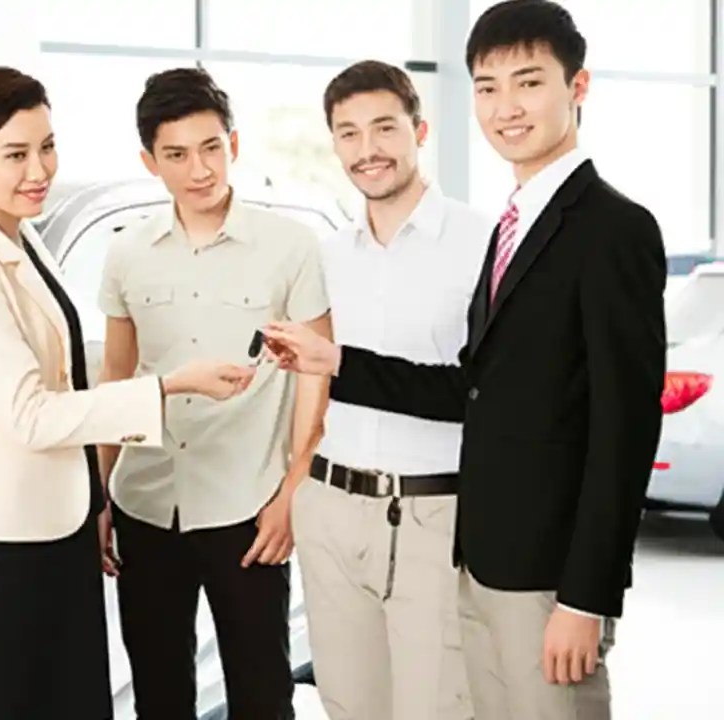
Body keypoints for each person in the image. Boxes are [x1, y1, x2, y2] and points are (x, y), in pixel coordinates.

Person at [262, 3, 666, 719]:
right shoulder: (519, 224)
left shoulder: (612, 228)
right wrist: (337, 362)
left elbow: (625, 431)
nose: (506, 107)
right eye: (487, 86)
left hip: (546, 574)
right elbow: (477, 390)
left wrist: (586, 597)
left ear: (578, 86)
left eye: (528, 82)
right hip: (483, 558)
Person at [0, 66, 256, 720]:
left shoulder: (18, 235)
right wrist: (170, 387)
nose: (38, 169)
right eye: (15, 154)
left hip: (49, 531)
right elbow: (30, 415)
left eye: (47, 146)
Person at [96, 67, 330, 719]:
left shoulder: (291, 246)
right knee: (159, 693)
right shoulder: (127, 252)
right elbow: (117, 378)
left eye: (210, 148)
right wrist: (100, 495)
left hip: (248, 507)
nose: (198, 170)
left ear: (234, 144)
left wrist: (292, 496)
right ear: (150, 161)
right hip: (146, 502)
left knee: (261, 693)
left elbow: (317, 376)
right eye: (176, 155)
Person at [293, 59, 486, 720]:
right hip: (332, 508)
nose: (367, 149)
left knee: (439, 708)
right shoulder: (328, 254)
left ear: (419, 130)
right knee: (349, 706)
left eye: (383, 128)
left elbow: (483, 391)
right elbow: (310, 394)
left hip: (435, 513)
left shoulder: (481, 243)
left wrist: (340, 361)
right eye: (348, 133)